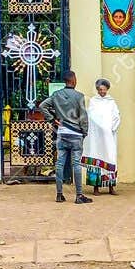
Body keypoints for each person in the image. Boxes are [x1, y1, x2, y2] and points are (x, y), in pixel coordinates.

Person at [40, 72, 91, 204]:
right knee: (76, 164)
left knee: (60, 163)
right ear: (73, 80)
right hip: (76, 134)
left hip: (62, 133)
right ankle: (79, 195)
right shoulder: (79, 96)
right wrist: (84, 132)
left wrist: (52, 119)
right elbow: (83, 116)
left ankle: (59, 194)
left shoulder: (56, 95)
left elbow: (42, 106)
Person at [83, 78, 121, 195]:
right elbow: (91, 116)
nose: (102, 92)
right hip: (96, 137)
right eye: (100, 89)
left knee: (110, 158)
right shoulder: (93, 101)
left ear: (107, 89)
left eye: (104, 89)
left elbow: (116, 116)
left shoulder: (111, 102)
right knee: (96, 158)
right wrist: (101, 126)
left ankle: (111, 187)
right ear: (97, 90)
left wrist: (110, 128)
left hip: (109, 136)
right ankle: (96, 187)